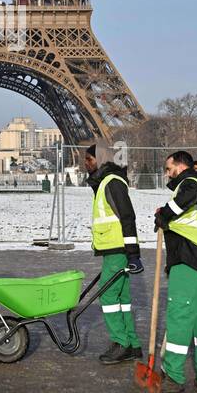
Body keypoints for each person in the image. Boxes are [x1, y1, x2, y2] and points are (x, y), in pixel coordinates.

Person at [154, 151, 197, 393]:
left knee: (179, 316)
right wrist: (167, 218)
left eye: (168, 167)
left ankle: (173, 374)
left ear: (180, 166)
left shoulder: (190, 183)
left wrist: (164, 215)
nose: (166, 172)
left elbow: (185, 199)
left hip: (187, 259)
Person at [83, 141, 143, 365]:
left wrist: (133, 253)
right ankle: (133, 344)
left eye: (89, 159)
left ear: (100, 158)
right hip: (115, 249)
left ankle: (121, 343)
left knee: (107, 296)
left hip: (118, 249)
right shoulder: (107, 181)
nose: (85, 164)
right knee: (122, 298)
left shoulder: (112, 182)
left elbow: (127, 217)